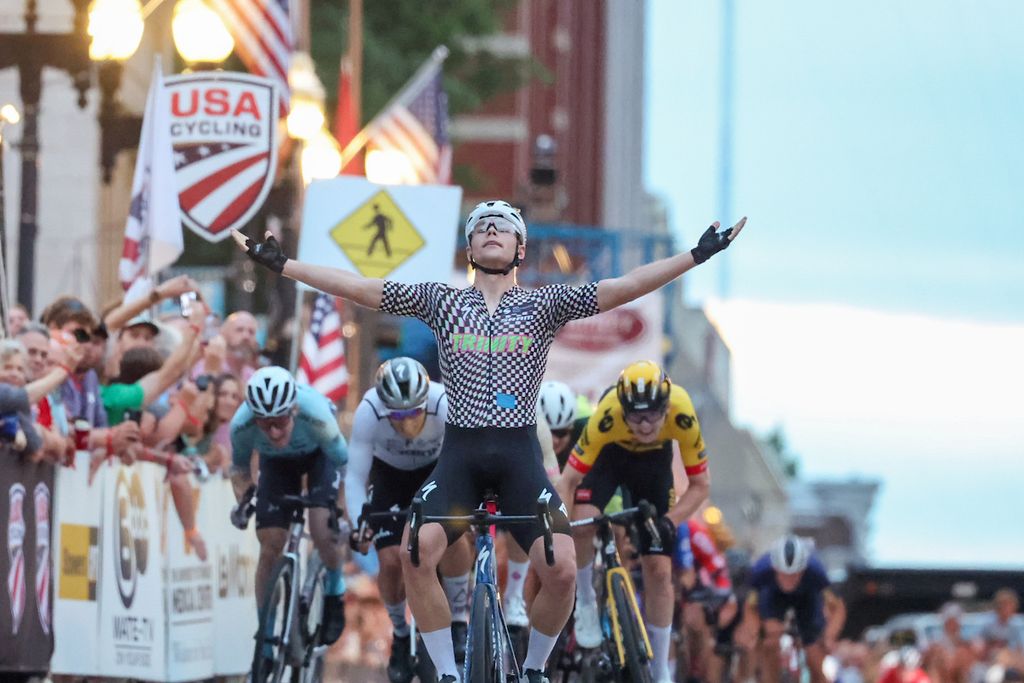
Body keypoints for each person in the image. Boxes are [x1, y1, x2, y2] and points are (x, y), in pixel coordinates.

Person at [233, 200, 745, 683]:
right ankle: (447, 672)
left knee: (564, 571)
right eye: (482, 227)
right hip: (461, 457)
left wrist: (696, 256)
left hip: (520, 457)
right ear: (470, 248)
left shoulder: (544, 303)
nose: (492, 230)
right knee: (415, 553)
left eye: (503, 227)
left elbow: (625, 287)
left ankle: (535, 669)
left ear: (520, 249)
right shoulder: (443, 301)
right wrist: (285, 265)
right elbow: (360, 288)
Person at [556, 361, 713, 683]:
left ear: (666, 407)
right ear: (622, 408)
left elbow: (701, 486)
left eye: (652, 415)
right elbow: (568, 480)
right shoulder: (607, 414)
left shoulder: (682, 411)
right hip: (610, 458)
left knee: (659, 570)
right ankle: (585, 601)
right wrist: (560, 529)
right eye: (635, 417)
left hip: (653, 467)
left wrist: (670, 521)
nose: (644, 426)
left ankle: (660, 670)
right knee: (583, 521)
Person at [345, 357, 472, 682]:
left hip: (437, 471)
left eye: (414, 412)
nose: (407, 422)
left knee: (456, 536)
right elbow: (355, 477)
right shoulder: (369, 410)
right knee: (390, 561)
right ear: (385, 408)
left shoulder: (443, 402)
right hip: (390, 476)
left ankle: (459, 621)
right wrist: (360, 523)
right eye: (398, 415)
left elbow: (466, 462)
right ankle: (401, 634)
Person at [229, 366, 349, 651]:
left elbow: (345, 467)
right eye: (264, 423)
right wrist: (244, 501)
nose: (273, 431)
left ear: (293, 410)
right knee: (270, 545)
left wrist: (341, 512)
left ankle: (335, 591)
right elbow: (240, 471)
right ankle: (265, 638)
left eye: (281, 421)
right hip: (276, 464)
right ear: (254, 418)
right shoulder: (241, 426)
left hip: (320, 459)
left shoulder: (317, 415)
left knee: (322, 528)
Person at [737, 534, 846, 683]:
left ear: (803, 570)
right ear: (775, 568)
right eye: (784, 575)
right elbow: (749, 607)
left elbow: (838, 608)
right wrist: (754, 632)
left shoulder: (816, 572)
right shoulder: (761, 571)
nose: (789, 580)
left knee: (813, 651)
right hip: (774, 597)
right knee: (770, 640)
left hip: (807, 599)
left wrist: (829, 636)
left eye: (794, 575)